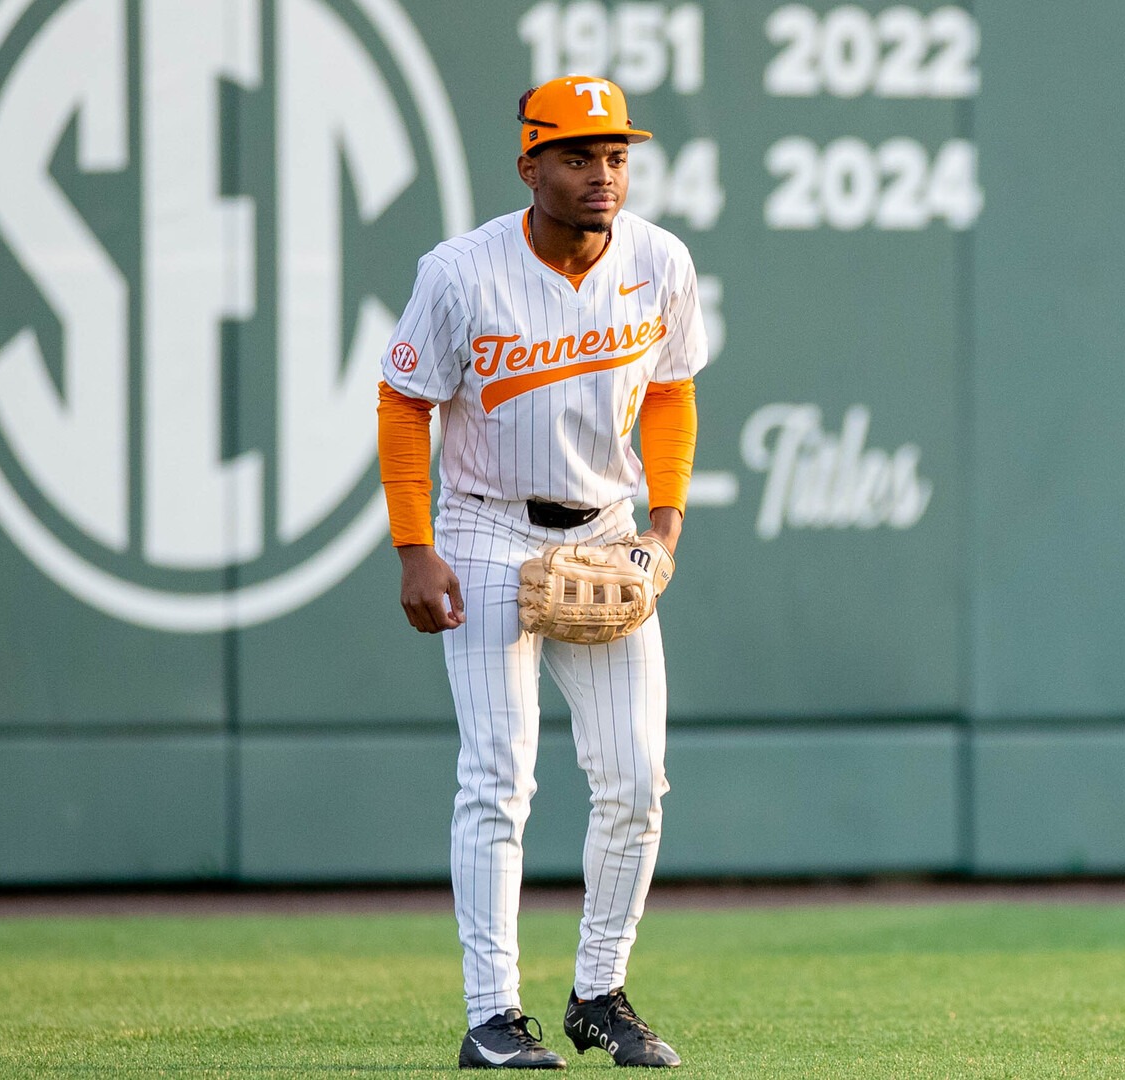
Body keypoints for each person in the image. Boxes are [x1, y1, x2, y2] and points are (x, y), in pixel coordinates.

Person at [375, 74, 705, 1070]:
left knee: (637, 780)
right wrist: (413, 543)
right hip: (483, 527)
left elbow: (673, 393)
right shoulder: (460, 272)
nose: (602, 172)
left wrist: (668, 527)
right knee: (498, 777)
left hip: (606, 529)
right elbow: (404, 404)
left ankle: (599, 992)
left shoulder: (659, 261)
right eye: (576, 154)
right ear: (530, 166)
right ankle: (491, 1015)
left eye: (615, 155)